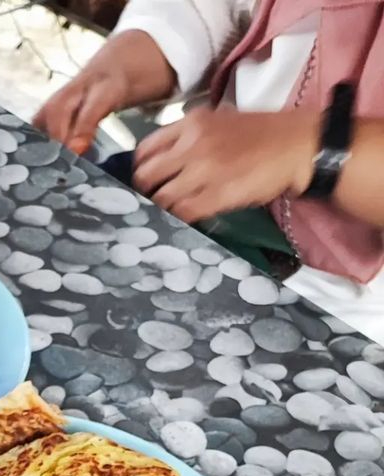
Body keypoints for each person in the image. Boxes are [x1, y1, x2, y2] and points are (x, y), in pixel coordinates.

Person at [34, 0, 384, 341]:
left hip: (329, 306)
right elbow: (220, 9)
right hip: (175, 181)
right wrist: (121, 70)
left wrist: (316, 149)